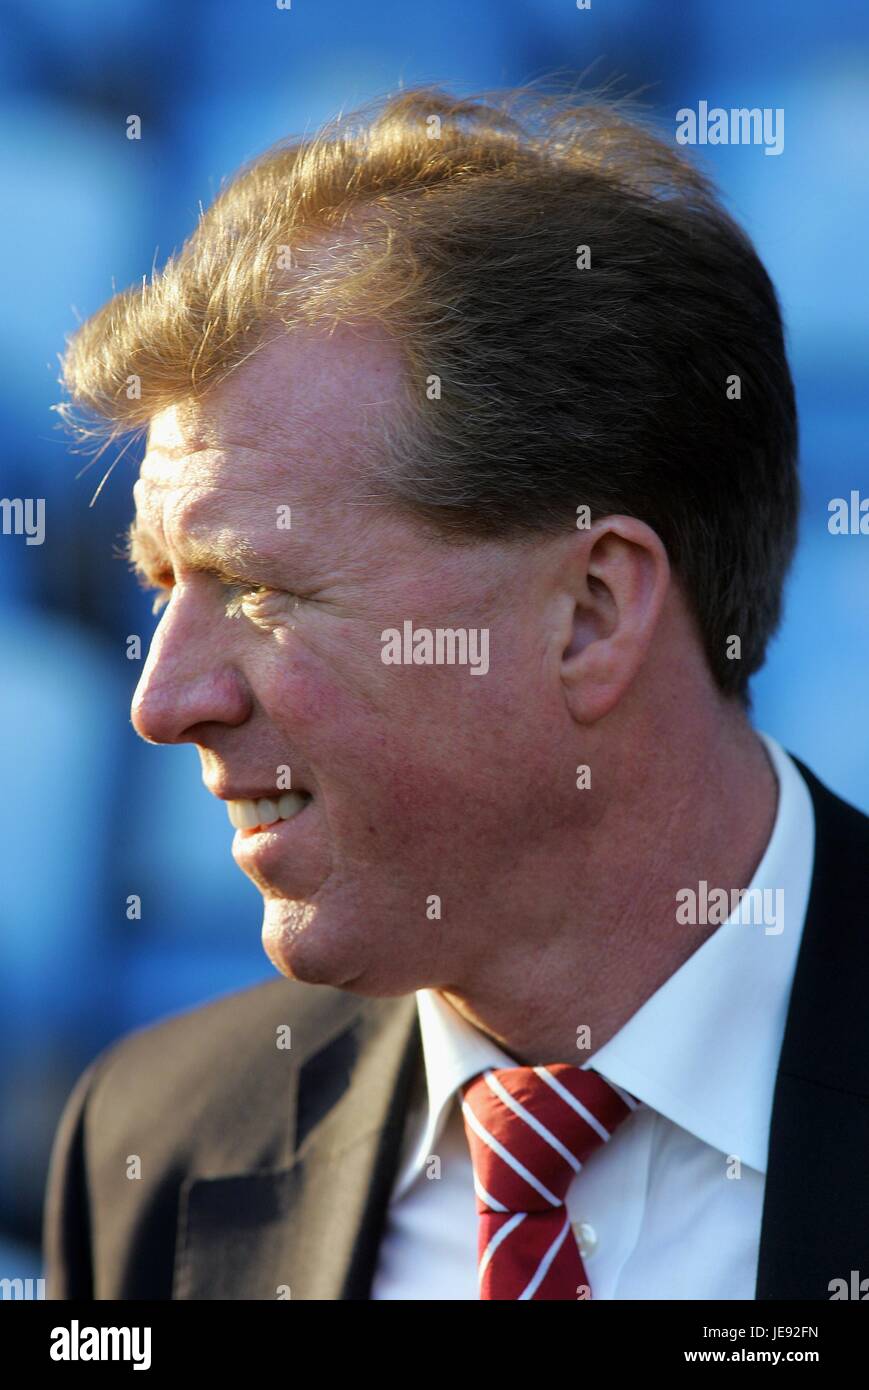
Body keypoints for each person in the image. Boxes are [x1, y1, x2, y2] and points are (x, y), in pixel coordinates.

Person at [44, 87, 868, 1301]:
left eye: (254, 586)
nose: (163, 703)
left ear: (589, 612)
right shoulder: (152, 1151)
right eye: (163, 587)